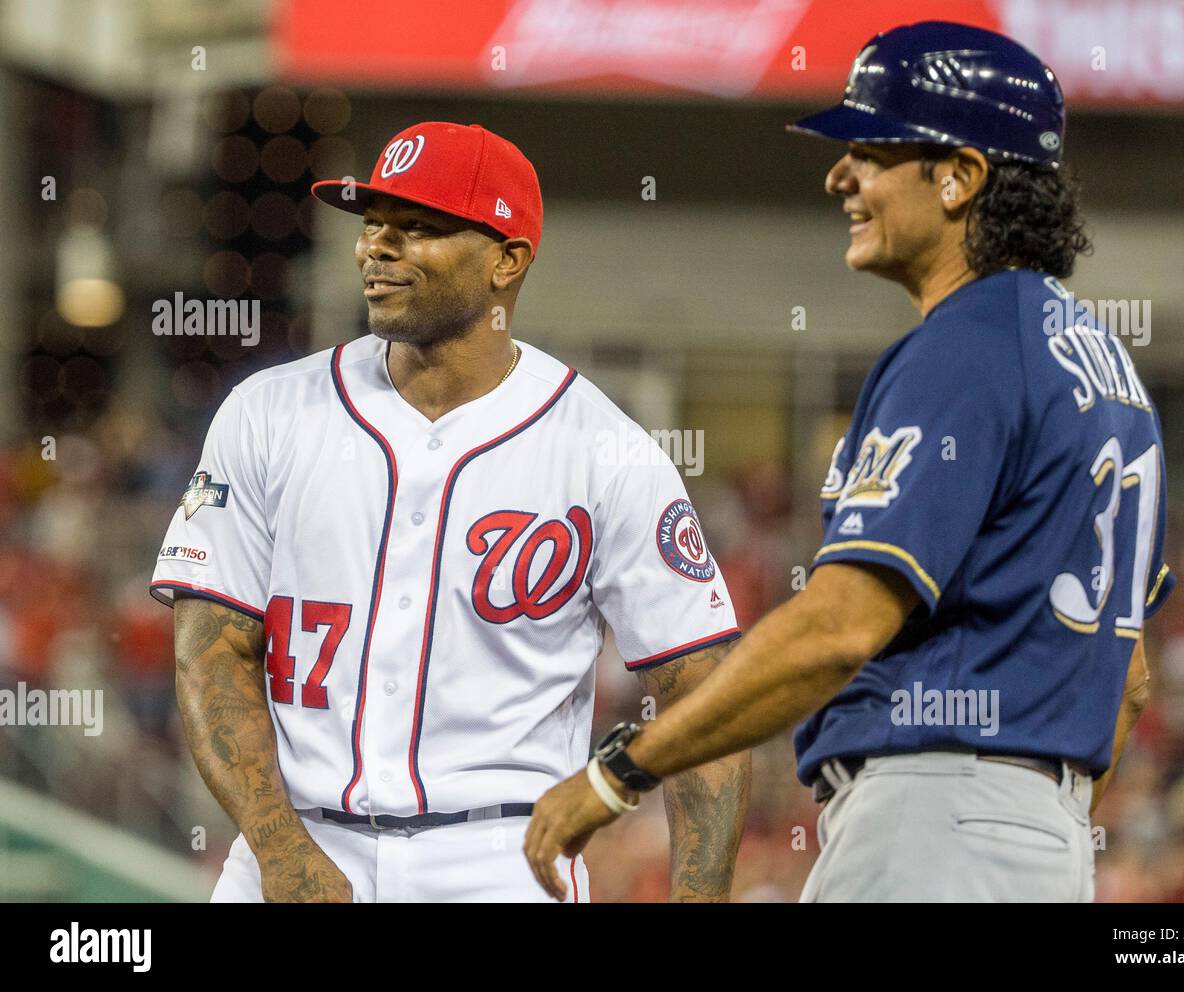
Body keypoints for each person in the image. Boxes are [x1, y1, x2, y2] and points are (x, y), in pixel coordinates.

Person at [524, 21, 1173, 903]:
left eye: (870, 150)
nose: (840, 176)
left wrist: (617, 774)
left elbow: (836, 629)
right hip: (1042, 838)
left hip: (933, 825)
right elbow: (1129, 682)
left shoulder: (967, 346)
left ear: (960, 176)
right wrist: (1022, 814)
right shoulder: (1106, 365)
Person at [151, 121, 749, 902]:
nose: (377, 248)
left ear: (508, 259)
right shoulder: (267, 413)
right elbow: (211, 651)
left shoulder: (607, 451)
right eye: (373, 224)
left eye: (419, 228)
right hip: (292, 833)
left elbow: (703, 698)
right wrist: (279, 846)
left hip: (501, 855)